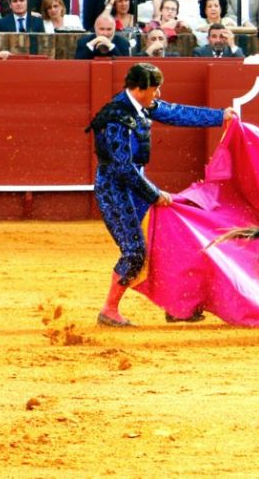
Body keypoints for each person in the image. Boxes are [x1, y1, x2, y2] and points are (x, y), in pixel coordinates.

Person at [86, 62, 236, 326]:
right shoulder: (116, 118)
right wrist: (153, 193)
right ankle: (109, 311)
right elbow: (122, 168)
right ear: (139, 88)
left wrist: (219, 116)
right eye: (155, 89)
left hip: (135, 184)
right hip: (115, 190)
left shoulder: (140, 105)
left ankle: (176, 305)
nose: (158, 94)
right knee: (134, 252)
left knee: (168, 239)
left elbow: (175, 112)